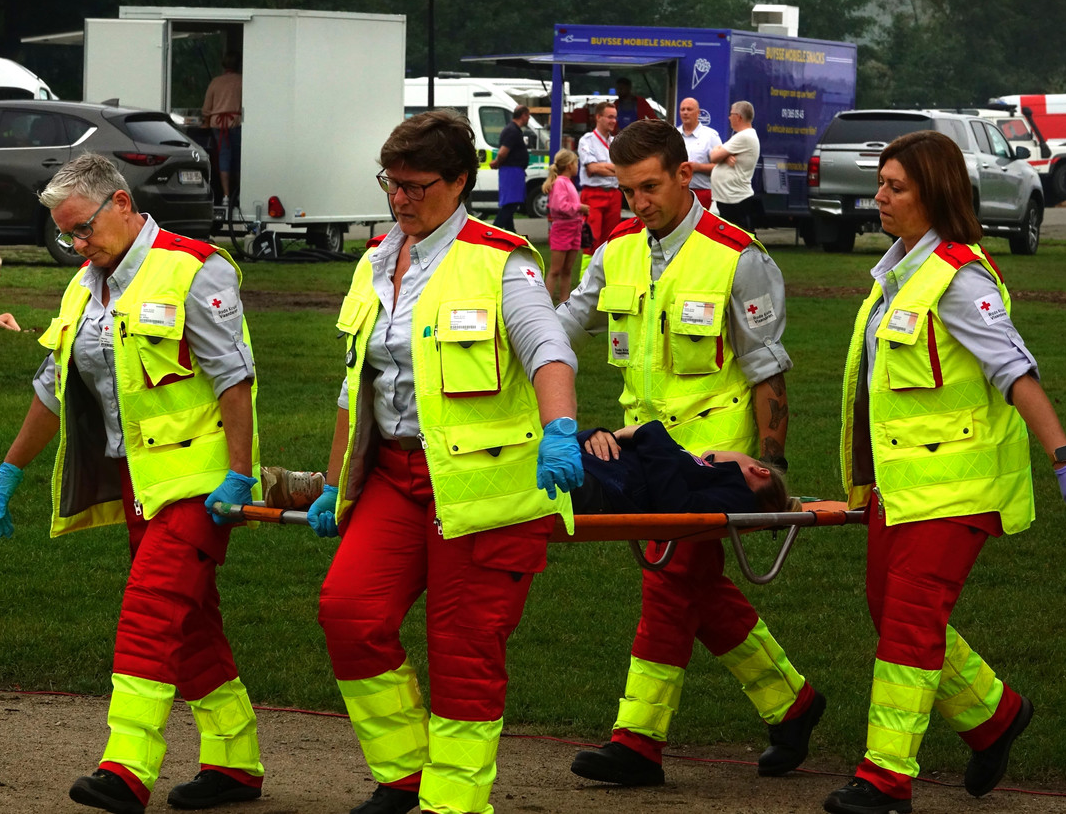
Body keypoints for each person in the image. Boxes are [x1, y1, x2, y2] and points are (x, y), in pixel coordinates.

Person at [823, 130, 1066, 814]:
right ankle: (995, 716)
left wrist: (1064, 459)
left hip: (959, 490)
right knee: (886, 612)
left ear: (935, 194)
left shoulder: (959, 277)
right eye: (881, 184)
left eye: (895, 186)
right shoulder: (898, 273)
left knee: (908, 625)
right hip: (902, 487)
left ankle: (885, 779)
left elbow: (1015, 372)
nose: (879, 197)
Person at [306, 110, 583, 814]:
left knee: (463, 649)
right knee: (349, 612)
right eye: (389, 184)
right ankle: (404, 776)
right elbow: (354, 382)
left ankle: (454, 803)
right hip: (394, 478)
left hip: (485, 487)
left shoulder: (501, 260)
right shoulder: (374, 260)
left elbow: (549, 350)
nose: (398, 199)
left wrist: (560, 431)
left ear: (460, 182)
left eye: (414, 186)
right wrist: (335, 481)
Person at [0, 152, 266, 814]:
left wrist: (238, 473)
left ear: (119, 203)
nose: (77, 244)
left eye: (82, 228)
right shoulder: (85, 284)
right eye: (66, 234)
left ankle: (127, 769)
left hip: (199, 484)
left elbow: (235, 378)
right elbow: (53, 387)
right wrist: (11, 466)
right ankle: (236, 762)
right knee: (191, 624)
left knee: (149, 613)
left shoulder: (195, 267)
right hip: (141, 486)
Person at [557, 118, 821, 788]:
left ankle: (637, 741)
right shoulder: (614, 248)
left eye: (648, 187)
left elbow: (767, 371)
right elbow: (563, 326)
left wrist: (771, 468)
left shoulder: (738, 255)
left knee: (670, 586)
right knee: (695, 587)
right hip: (638, 455)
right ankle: (791, 704)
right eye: (625, 190)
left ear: (685, 174)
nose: (637, 202)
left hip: (712, 456)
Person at [573, 420, 789, 517]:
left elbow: (677, 507)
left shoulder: (736, 494)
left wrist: (649, 431)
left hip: (596, 484)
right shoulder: (702, 475)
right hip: (586, 466)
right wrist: (594, 435)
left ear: (759, 471)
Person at [576, 101, 623, 267]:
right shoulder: (587, 141)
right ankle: (585, 281)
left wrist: (604, 167)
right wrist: (616, 169)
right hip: (593, 194)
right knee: (591, 239)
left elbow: (622, 167)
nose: (613, 121)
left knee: (610, 239)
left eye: (615, 118)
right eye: (609, 117)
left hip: (614, 194)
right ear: (598, 117)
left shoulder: (617, 141)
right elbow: (592, 167)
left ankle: (603, 278)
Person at [543, 149, 588, 304]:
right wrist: (579, 207)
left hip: (574, 228)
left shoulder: (568, 182)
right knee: (556, 270)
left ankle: (565, 301)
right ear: (570, 165)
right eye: (576, 163)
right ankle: (546, 302)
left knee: (567, 270)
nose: (578, 166)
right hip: (562, 229)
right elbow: (559, 206)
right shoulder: (560, 182)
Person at [710, 100, 764, 231]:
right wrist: (725, 156)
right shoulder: (742, 136)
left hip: (735, 198)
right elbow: (716, 153)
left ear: (738, 116)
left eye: (731, 114)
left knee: (740, 237)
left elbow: (714, 156)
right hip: (730, 196)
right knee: (733, 237)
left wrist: (721, 154)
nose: (729, 117)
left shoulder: (744, 136)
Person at [202, 53, 243, 205]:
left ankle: (225, 195)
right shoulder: (242, 81)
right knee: (239, 159)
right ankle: (238, 194)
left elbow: (207, 108)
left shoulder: (215, 82)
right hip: (236, 121)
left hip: (217, 124)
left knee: (223, 158)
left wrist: (206, 121)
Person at [488, 104, 531, 232]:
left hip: (512, 171)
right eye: (528, 115)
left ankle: (511, 233)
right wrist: (497, 162)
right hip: (512, 171)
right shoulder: (512, 131)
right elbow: (502, 152)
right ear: (523, 115)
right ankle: (494, 231)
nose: (528, 118)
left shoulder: (513, 130)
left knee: (510, 204)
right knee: (511, 204)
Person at [677, 97, 722, 210]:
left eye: (689, 109)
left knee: (697, 227)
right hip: (677, 191)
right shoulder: (674, 134)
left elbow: (721, 167)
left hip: (701, 192)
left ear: (698, 113)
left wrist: (698, 167)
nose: (685, 113)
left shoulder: (710, 136)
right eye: (682, 109)